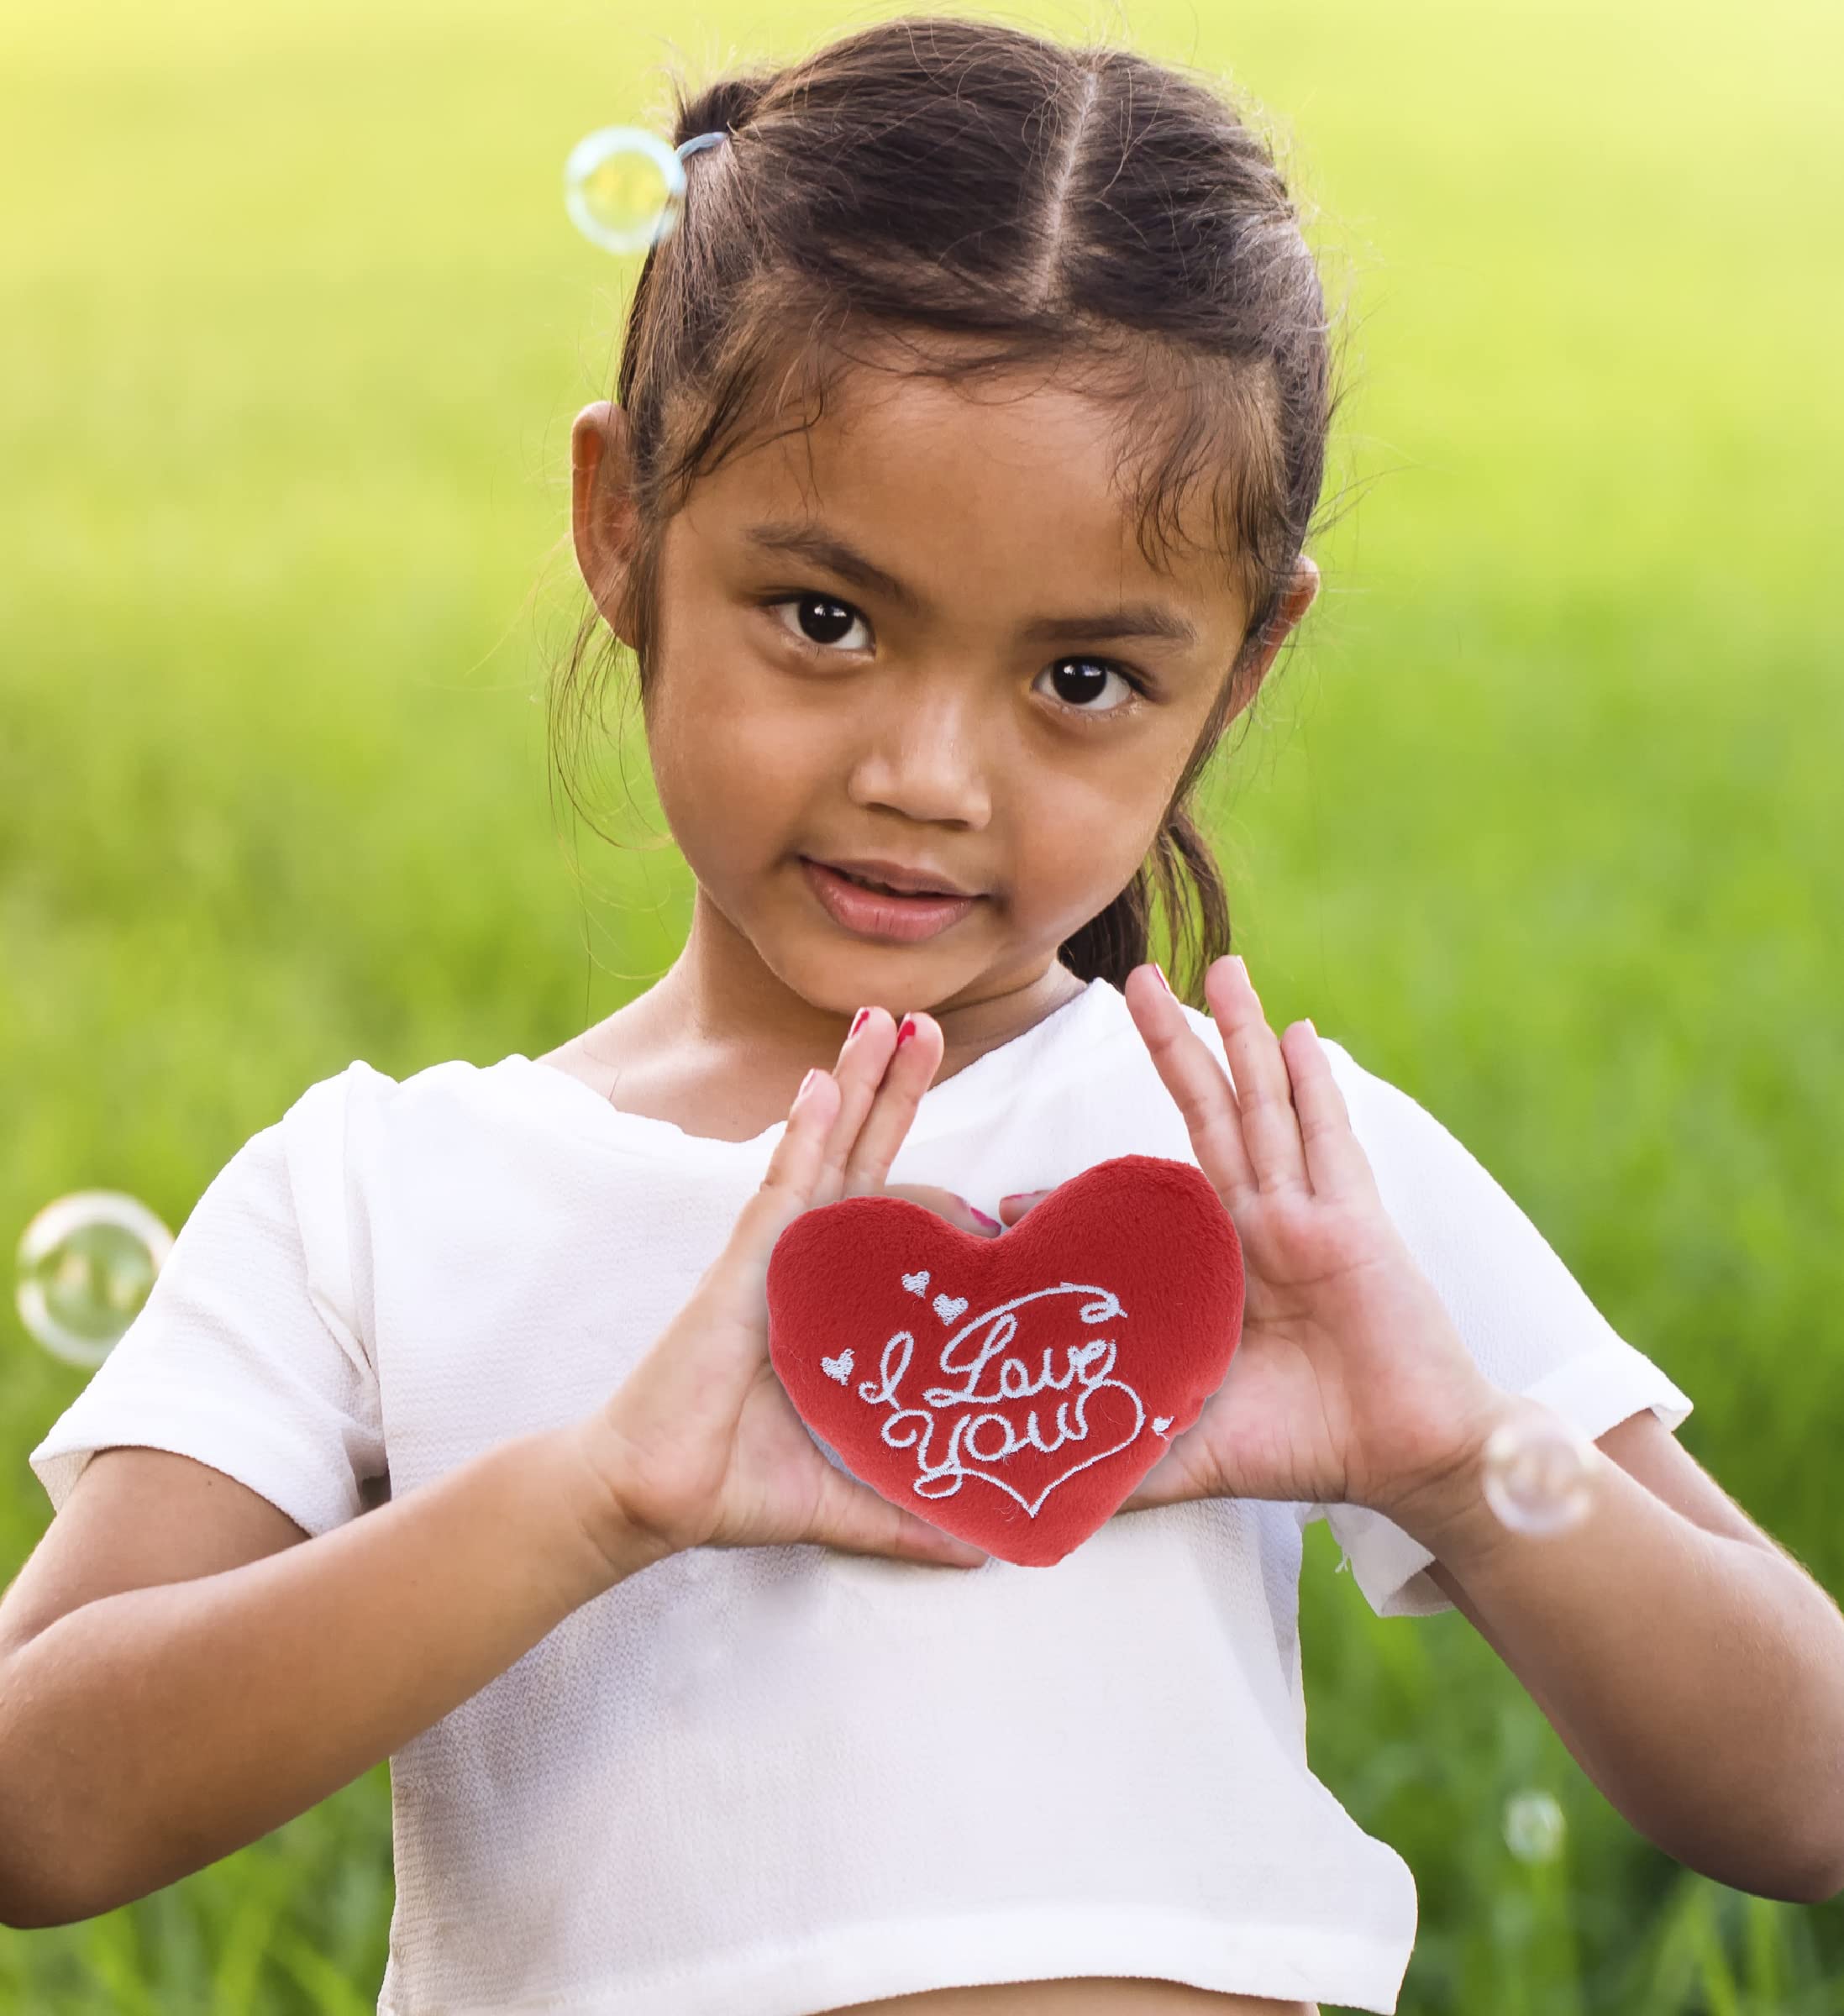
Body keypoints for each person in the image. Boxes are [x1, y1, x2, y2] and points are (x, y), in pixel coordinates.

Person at [5, 13, 1843, 2015]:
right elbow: (42, 1811)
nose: (930, 775)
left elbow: (1805, 1785)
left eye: (1081, 681)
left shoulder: (1276, 1181)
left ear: (1239, 671)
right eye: (827, 619)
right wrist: (591, 1499)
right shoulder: (386, 1196)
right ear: (623, 525)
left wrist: (1453, 1459)